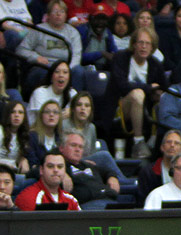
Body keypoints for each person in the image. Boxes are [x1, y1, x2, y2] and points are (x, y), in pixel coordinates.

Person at [106, 28, 166, 158]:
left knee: (162, 99)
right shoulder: (121, 58)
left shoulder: (155, 64)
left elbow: (163, 88)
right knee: (137, 94)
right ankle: (138, 142)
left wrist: (156, 93)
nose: (144, 47)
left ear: (152, 47)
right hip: (119, 108)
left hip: (146, 110)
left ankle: (155, 140)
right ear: (133, 44)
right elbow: (122, 86)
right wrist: (149, 88)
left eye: (147, 43)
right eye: (140, 42)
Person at [59, 132, 119, 209]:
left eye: (80, 147)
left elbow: (108, 171)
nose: (77, 149)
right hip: (88, 205)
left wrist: (112, 177)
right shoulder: (60, 167)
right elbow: (41, 166)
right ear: (61, 148)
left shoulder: (89, 165)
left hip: (109, 200)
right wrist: (62, 173)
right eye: (73, 145)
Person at [14, 150, 80, 210]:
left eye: (60, 167)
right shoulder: (28, 198)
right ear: (41, 170)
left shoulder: (71, 199)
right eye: (50, 166)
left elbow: (83, 222)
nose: (56, 170)